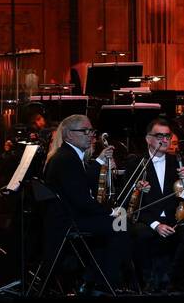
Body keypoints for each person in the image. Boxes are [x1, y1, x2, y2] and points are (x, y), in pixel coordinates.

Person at [40, 114, 129, 291]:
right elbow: (81, 201)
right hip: (69, 221)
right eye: (85, 131)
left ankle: (93, 278)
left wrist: (99, 161)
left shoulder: (68, 155)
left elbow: (81, 185)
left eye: (91, 131)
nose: (91, 135)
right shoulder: (67, 158)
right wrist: (110, 211)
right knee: (121, 224)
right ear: (69, 135)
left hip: (70, 217)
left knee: (113, 226)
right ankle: (105, 282)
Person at [126, 117, 184, 293]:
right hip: (146, 220)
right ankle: (148, 284)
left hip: (172, 218)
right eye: (159, 135)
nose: (164, 140)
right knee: (142, 234)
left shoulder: (177, 161)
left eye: (167, 136)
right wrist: (156, 225)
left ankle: (171, 281)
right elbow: (132, 204)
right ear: (148, 139)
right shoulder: (136, 162)